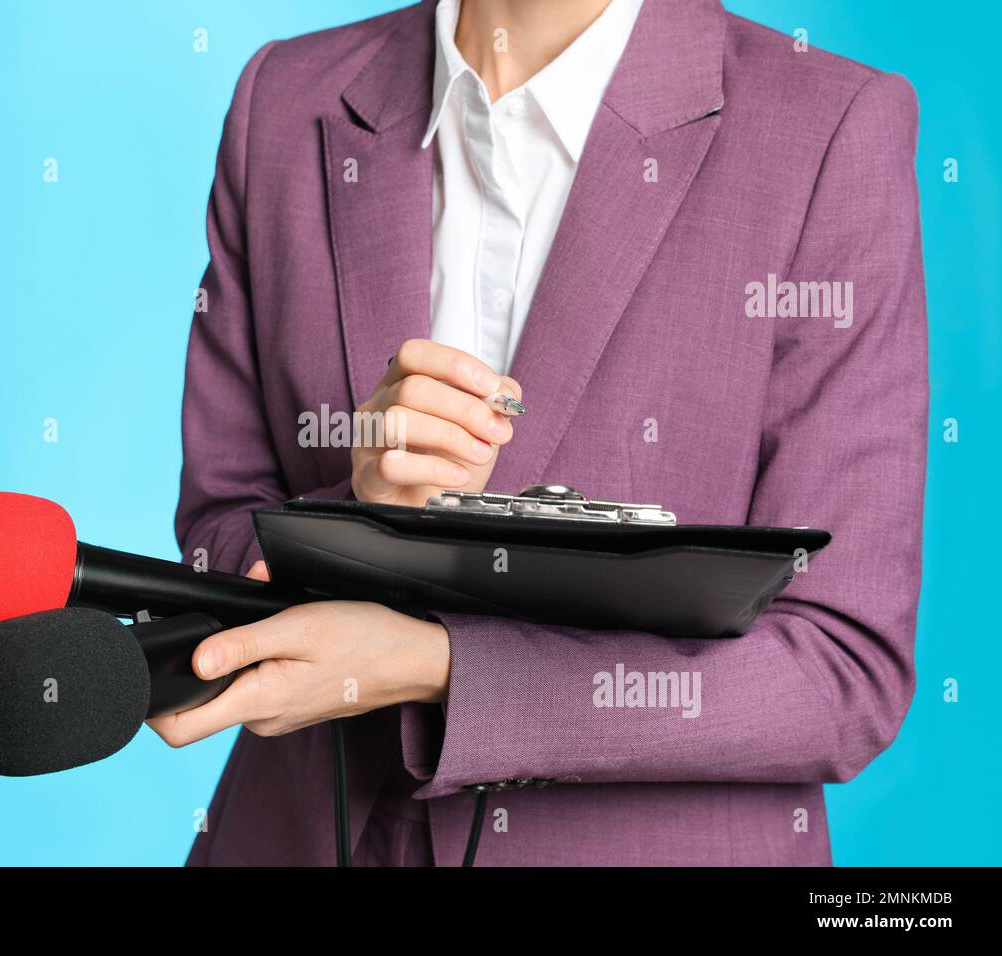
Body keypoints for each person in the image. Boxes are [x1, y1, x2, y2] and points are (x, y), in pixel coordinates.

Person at [148, 0, 928, 866]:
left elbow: (840, 669)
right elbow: (217, 536)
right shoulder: (284, 96)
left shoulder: (827, 123)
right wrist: (359, 511)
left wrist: (439, 666)